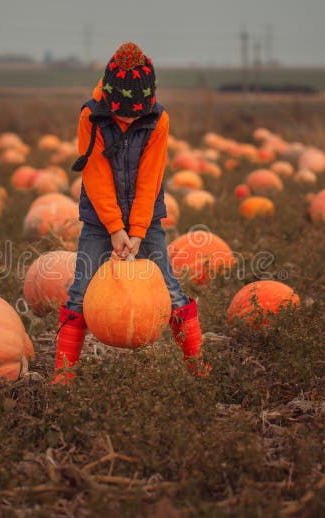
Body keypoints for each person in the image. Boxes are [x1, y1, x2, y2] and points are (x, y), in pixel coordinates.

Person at [52, 41, 210, 384]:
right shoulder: (90, 117)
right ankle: (62, 380)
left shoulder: (158, 120)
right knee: (79, 293)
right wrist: (113, 227)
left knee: (171, 290)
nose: (130, 119)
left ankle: (201, 371)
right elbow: (94, 175)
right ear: (110, 101)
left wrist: (137, 230)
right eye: (124, 113)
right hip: (98, 221)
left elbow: (151, 178)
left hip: (147, 219)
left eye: (136, 113)